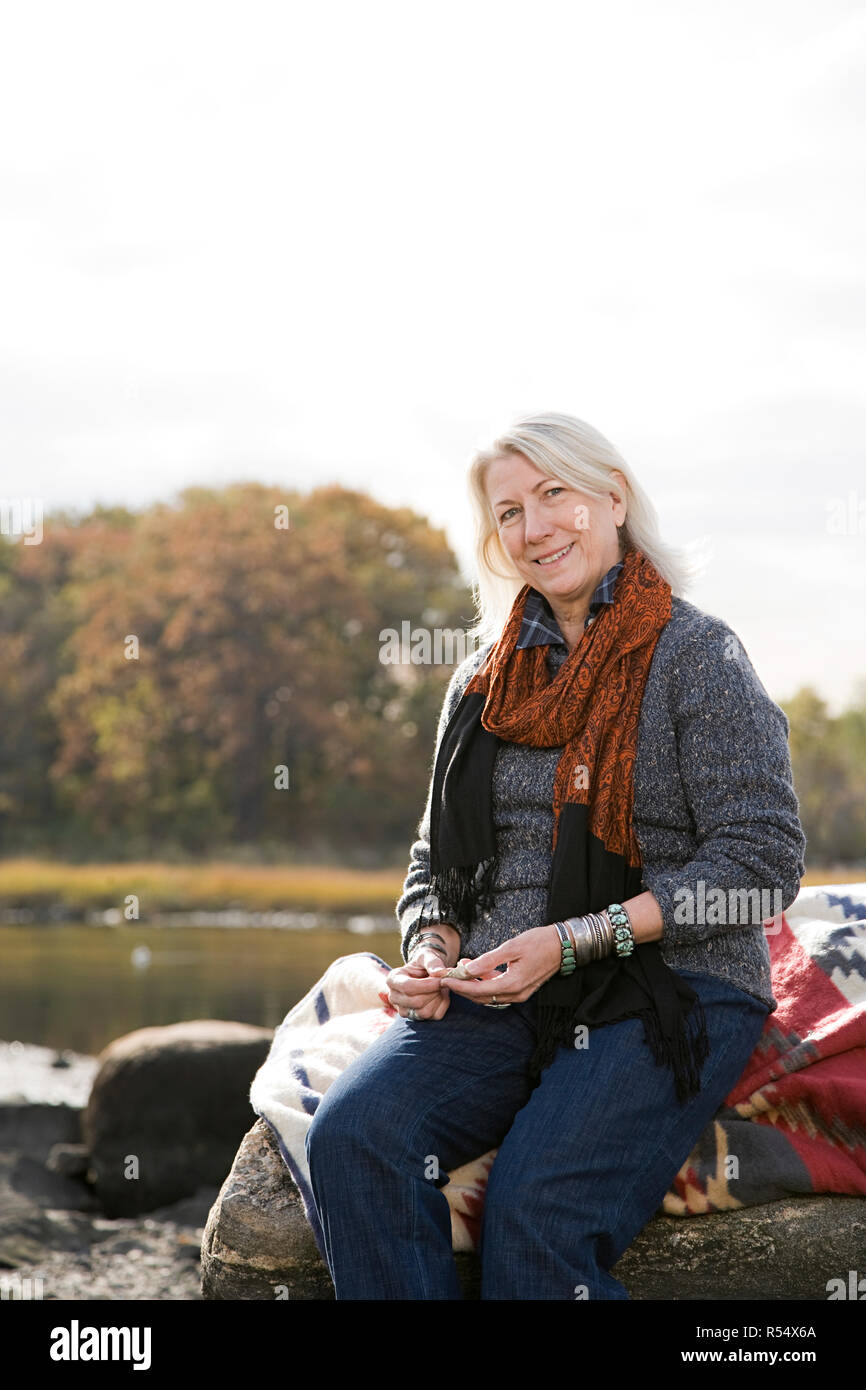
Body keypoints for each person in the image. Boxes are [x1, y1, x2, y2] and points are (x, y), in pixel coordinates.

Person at [305, 411, 806, 1300]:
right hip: (498, 989)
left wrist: (577, 939)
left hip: (667, 988)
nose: (533, 527)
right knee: (353, 1136)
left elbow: (762, 862)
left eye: (553, 495)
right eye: (507, 512)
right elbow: (435, 859)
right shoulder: (479, 681)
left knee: (535, 1210)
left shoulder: (698, 656)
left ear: (611, 498)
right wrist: (432, 947)